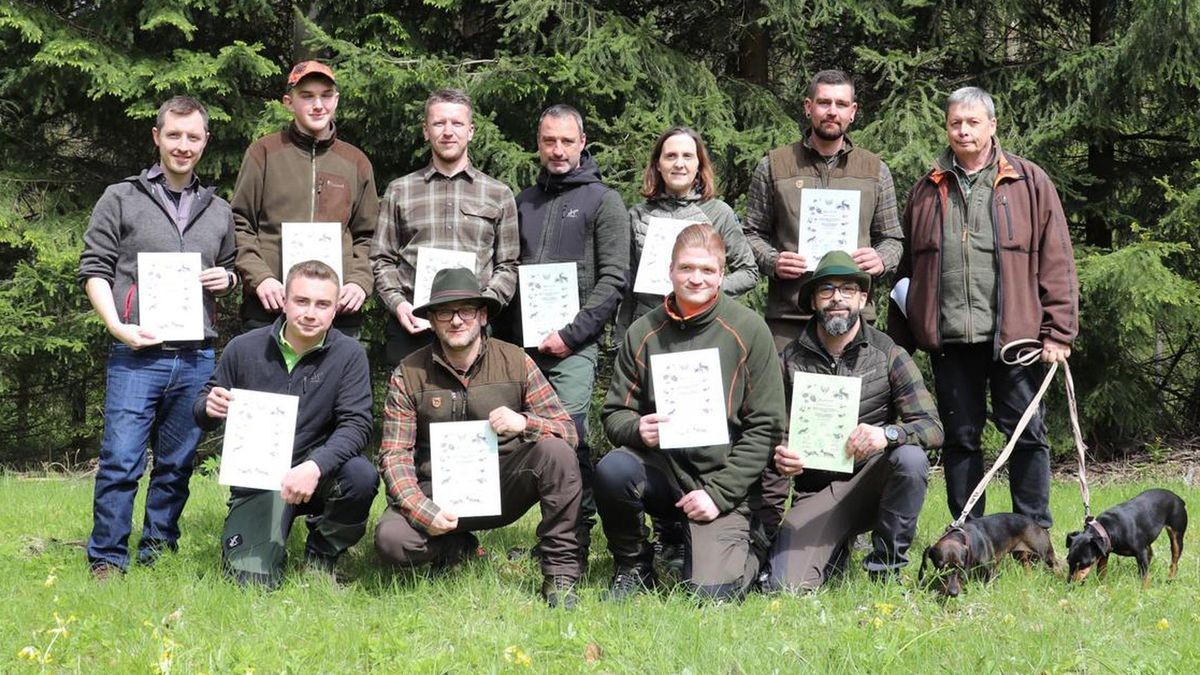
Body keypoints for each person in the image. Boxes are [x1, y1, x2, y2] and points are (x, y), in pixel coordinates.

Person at [889, 86, 1078, 529]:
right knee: (961, 440)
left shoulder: (1028, 181)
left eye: (973, 122)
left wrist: (1059, 330)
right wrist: (900, 343)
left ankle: (1033, 534)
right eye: (956, 122)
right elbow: (907, 269)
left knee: (1027, 436)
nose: (964, 130)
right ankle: (970, 535)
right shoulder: (926, 188)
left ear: (992, 126)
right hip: (950, 340)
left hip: (1017, 339)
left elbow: (1057, 258)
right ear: (947, 126)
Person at [78, 96, 237, 578]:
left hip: (195, 358)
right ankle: (107, 557)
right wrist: (116, 325)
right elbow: (94, 268)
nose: (183, 146)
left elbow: (230, 269)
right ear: (157, 137)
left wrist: (227, 280)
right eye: (174, 135)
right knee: (122, 461)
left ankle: (158, 552)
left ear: (205, 142)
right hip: (136, 353)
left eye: (193, 137)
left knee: (176, 464)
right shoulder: (121, 197)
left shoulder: (219, 210)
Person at [596, 223, 786, 601]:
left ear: (722, 275)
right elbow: (614, 413)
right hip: (664, 472)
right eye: (686, 268)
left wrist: (717, 494)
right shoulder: (642, 332)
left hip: (723, 480)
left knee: (709, 594)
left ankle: (752, 545)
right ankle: (634, 564)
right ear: (670, 271)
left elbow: (766, 428)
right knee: (613, 469)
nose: (695, 278)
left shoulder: (749, 330)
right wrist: (637, 430)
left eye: (707, 270)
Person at [375, 267, 584, 608]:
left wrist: (525, 423)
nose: (456, 320)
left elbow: (568, 432)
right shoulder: (408, 374)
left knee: (556, 453)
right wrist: (422, 510)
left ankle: (560, 576)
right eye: (445, 312)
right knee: (391, 540)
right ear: (432, 319)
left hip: (504, 486)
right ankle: (455, 546)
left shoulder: (517, 361)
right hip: (438, 492)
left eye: (466, 310)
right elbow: (395, 455)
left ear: (483, 315)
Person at [761, 251, 943, 590]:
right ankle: (835, 549)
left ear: (862, 297)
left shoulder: (889, 353)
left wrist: (886, 434)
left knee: (910, 458)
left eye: (848, 289)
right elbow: (770, 432)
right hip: (815, 495)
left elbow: (932, 427)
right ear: (814, 300)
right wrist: (780, 452)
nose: (837, 299)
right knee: (784, 586)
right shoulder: (787, 360)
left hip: (872, 487)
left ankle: (885, 572)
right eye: (826, 290)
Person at [195, 260, 376, 587]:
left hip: (318, 473)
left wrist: (314, 465)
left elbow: (357, 425)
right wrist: (208, 407)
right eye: (302, 301)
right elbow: (204, 404)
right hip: (260, 478)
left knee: (361, 477)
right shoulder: (243, 348)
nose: (311, 313)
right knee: (251, 583)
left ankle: (322, 555)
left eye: (322, 305)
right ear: (285, 301)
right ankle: (262, 539)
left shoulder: (349, 355)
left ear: (335, 310)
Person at [502, 104, 630, 562]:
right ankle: (554, 533)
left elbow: (613, 280)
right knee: (535, 444)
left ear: (582, 143)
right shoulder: (522, 202)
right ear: (538, 143)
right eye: (549, 141)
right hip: (524, 346)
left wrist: (573, 335)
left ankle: (573, 535)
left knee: (570, 434)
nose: (557, 150)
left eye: (566, 141)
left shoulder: (604, 201)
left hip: (573, 346)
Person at [743, 69, 903, 350]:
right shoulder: (774, 165)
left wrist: (881, 259)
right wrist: (773, 261)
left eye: (841, 105)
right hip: (789, 318)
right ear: (808, 107)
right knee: (786, 394)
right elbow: (750, 234)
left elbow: (893, 238)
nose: (832, 111)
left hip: (853, 318)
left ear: (852, 112)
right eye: (824, 103)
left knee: (852, 395)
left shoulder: (875, 170)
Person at [371, 88, 519, 365]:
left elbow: (508, 265)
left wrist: (481, 307)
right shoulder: (399, 191)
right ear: (426, 131)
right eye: (439, 123)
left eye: (457, 123)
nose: (448, 131)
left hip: (474, 331)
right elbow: (381, 259)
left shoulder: (499, 194)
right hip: (413, 327)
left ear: (471, 131)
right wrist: (398, 304)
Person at [232, 60, 378, 336]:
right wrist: (259, 278)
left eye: (325, 96)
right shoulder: (263, 153)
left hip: (336, 312)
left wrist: (359, 281)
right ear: (289, 102)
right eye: (307, 96)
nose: (318, 105)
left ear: (336, 100)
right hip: (270, 308)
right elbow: (239, 223)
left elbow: (369, 235)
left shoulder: (356, 162)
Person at [620, 125, 759, 331]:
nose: (679, 164)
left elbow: (749, 272)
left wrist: (707, 288)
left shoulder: (719, 213)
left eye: (687, 156)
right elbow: (627, 284)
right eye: (670, 156)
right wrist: (623, 338)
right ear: (658, 164)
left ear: (698, 164)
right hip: (649, 328)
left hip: (703, 326)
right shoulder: (638, 215)